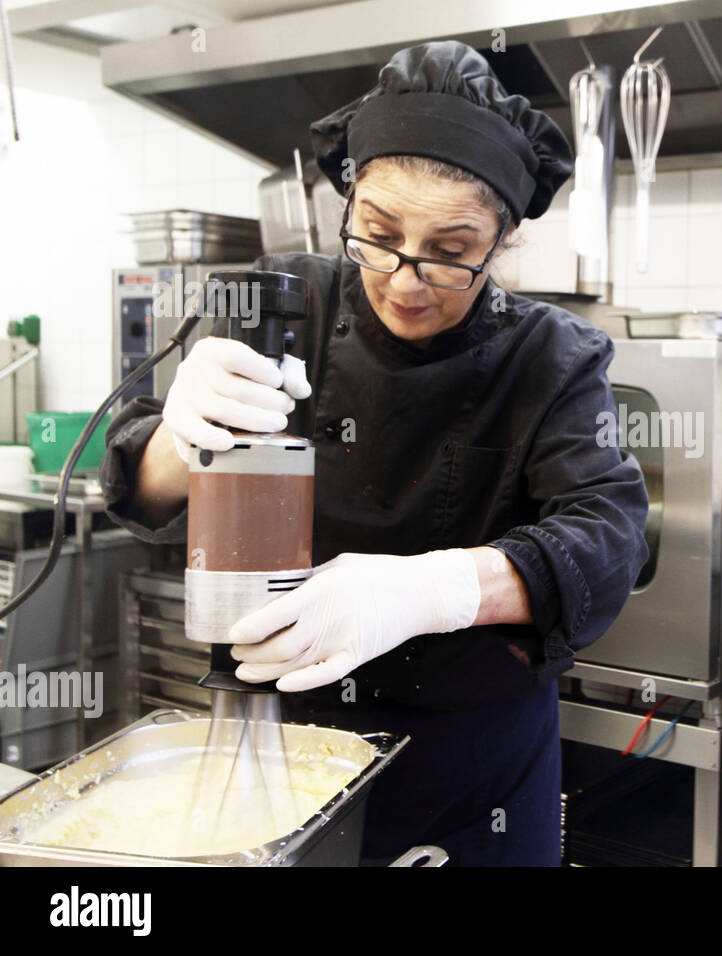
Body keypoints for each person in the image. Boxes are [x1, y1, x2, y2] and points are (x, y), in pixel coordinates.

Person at [99, 41, 650, 866]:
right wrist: (180, 438)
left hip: (474, 774)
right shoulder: (282, 301)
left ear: (500, 242)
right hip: (282, 742)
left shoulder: (553, 357)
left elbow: (611, 544)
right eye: (380, 235)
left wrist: (432, 590)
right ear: (348, 205)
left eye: (451, 250)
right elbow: (146, 493)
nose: (404, 279)